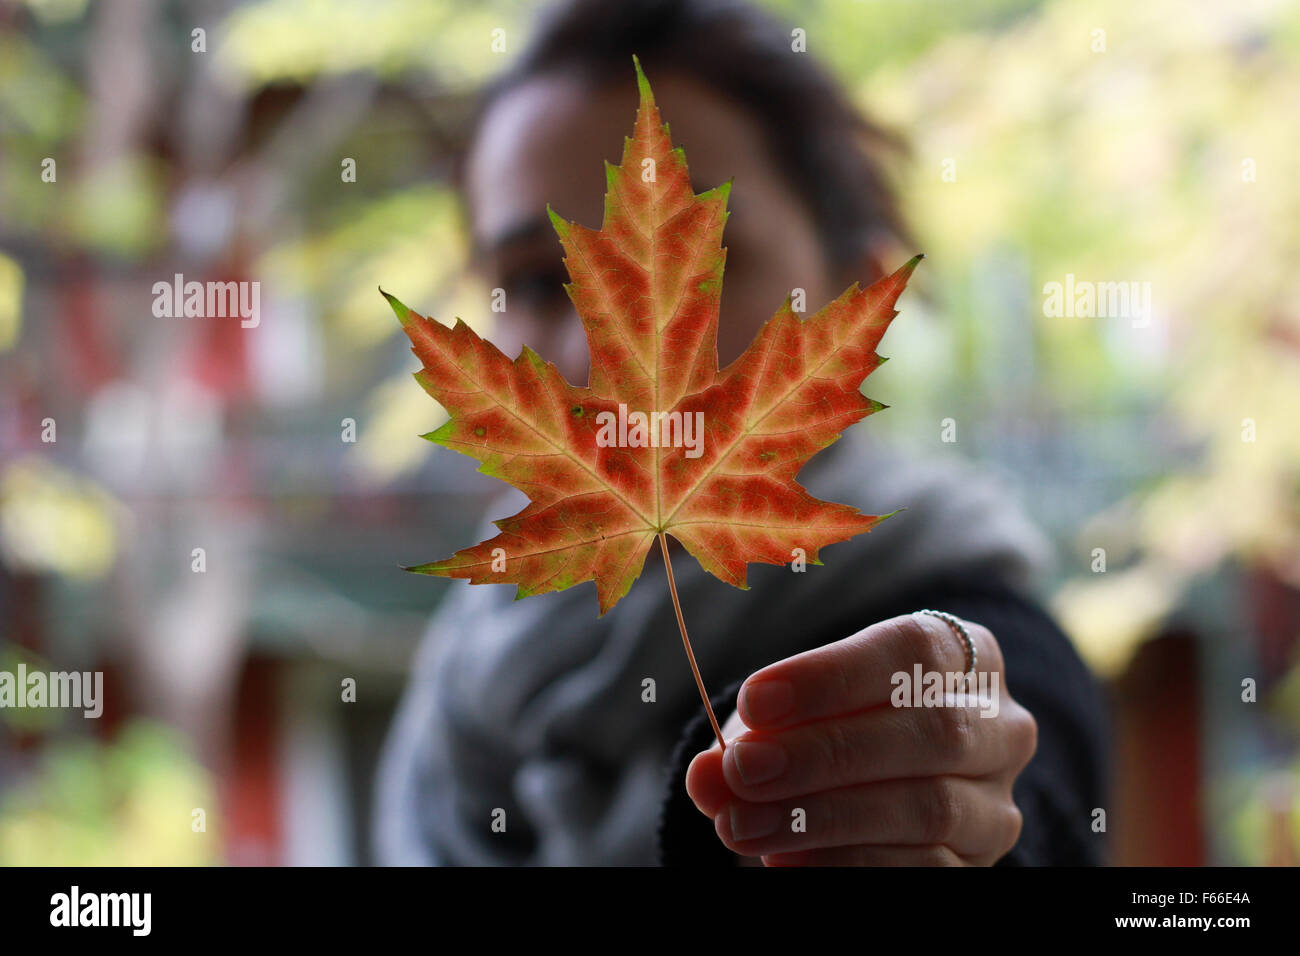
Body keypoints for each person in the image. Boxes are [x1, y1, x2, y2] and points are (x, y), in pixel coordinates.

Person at [373, 0, 1107, 866]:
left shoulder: (970, 632)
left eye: (704, 261)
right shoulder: (467, 675)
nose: (606, 345)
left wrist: (936, 805)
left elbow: (1018, 785)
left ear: (856, 298)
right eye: (535, 280)